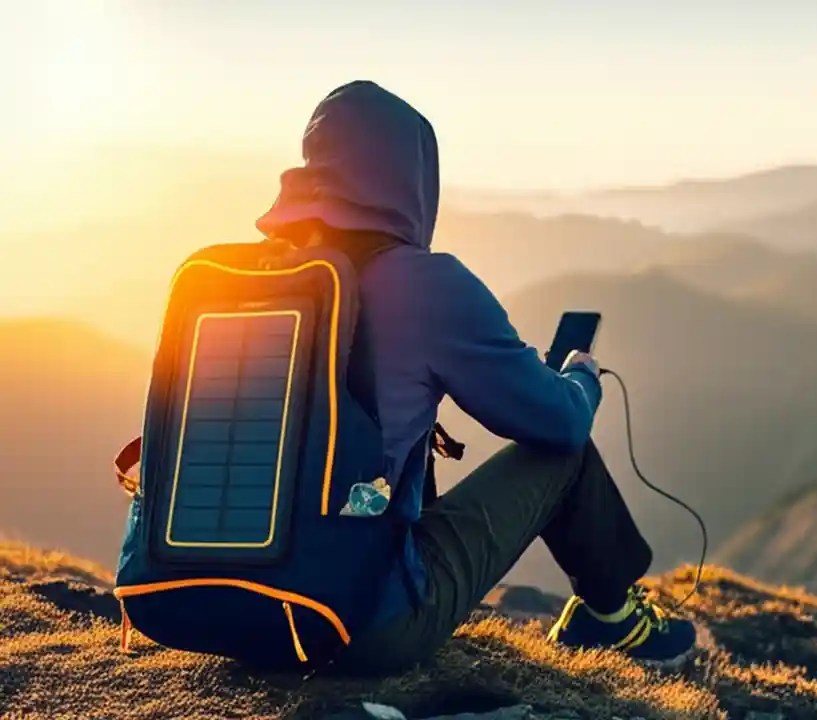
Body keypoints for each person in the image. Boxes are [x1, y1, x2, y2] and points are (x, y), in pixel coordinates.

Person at [255, 81, 696, 674]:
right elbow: (559, 423)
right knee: (564, 452)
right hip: (357, 626)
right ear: (410, 177)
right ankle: (610, 619)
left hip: (233, 609)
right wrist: (581, 379)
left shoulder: (255, 275)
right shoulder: (423, 284)